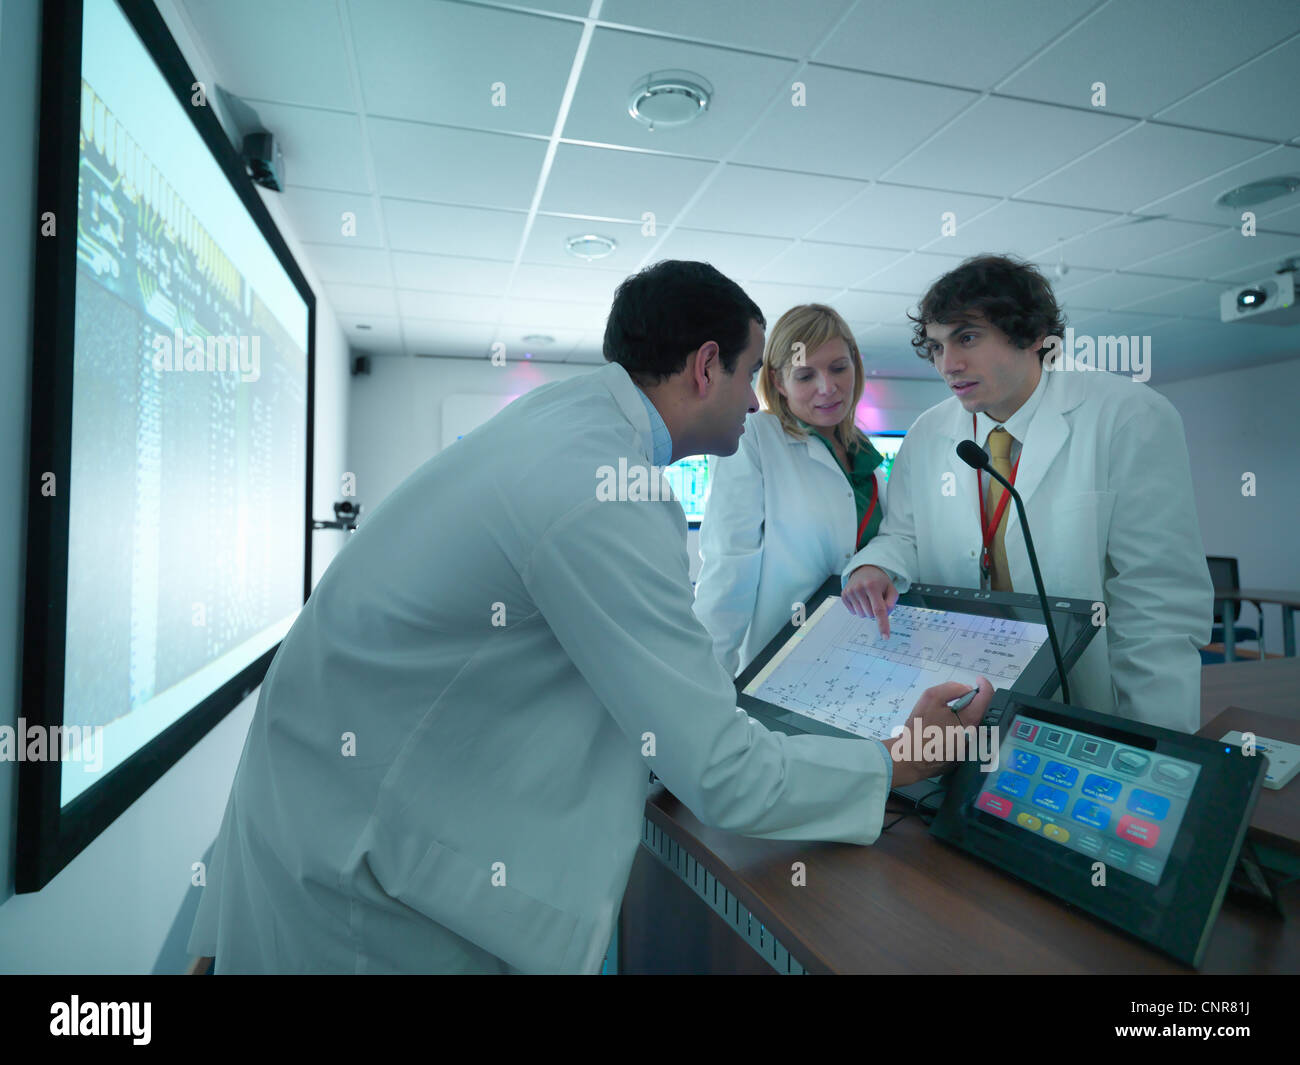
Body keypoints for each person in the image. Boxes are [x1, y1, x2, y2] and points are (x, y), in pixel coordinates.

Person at [187, 260, 991, 974]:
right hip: (358, 881)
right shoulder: (605, 487)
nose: (756, 401)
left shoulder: (565, 426)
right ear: (705, 366)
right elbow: (721, 773)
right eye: (753, 373)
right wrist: (894, 762)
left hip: (312, 813)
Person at [840, 254, 1211, 733]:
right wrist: (875, 565)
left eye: (967, 338)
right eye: (936, 346)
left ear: (1034, 334)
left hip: (1090, 697)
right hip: (969, 687)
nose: (948, 365)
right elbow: (905, 536)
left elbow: (1157, 599)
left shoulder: (1128, 416)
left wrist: (1153, 738)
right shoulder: (927, 434)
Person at [694, 303, 885, 676]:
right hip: (780, 659)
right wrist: (707, 680)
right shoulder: (754, 437)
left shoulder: (865, 455)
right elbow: (729, 564)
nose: (827, 388)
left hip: (866, 655)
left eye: (839, 368)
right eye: (805, 375)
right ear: (778, 382)